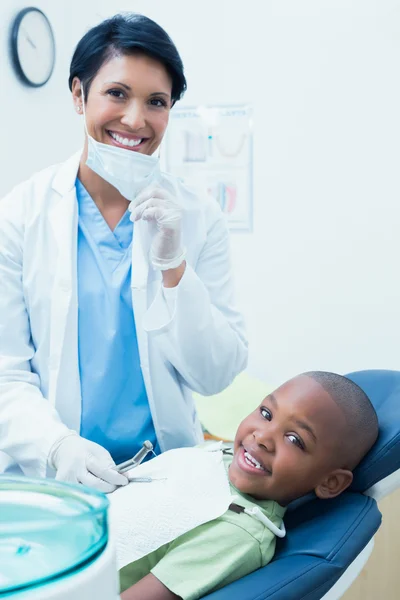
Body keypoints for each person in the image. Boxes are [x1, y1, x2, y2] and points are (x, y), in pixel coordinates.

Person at [0, 14, 247, 491]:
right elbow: (5, 371)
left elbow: (216, 373)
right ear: (78, 94)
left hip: (164, 474)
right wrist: (55, 447)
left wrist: (174, 267)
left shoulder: (198, 218)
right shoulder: (20, 214)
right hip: (53, 477)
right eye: (117, 93)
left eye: (156, 102)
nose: (135, 119)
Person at [118, 371, 379, 600]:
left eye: (294, 439)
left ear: (330, 482)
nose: (262, 436)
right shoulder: (218, 454)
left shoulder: (237, 534)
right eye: (266, 413)